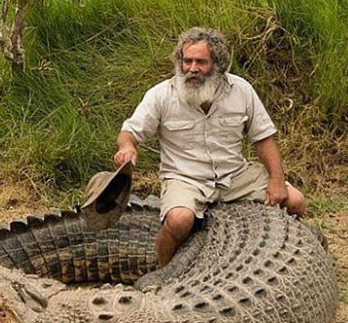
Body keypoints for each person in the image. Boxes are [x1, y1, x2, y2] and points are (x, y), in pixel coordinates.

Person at [113, 26, 306, 267]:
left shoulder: (241, 90)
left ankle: (287, 263)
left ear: (218, 63)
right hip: (186, 178)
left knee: (295, 201)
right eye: (187, 61)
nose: (192, 69)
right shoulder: (161, 95)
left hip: (234, 176)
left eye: (201, 62)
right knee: (179, 220)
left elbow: (263, 138)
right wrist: (128, 147)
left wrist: (277, 178)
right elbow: (129, 132)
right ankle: (162, 272)